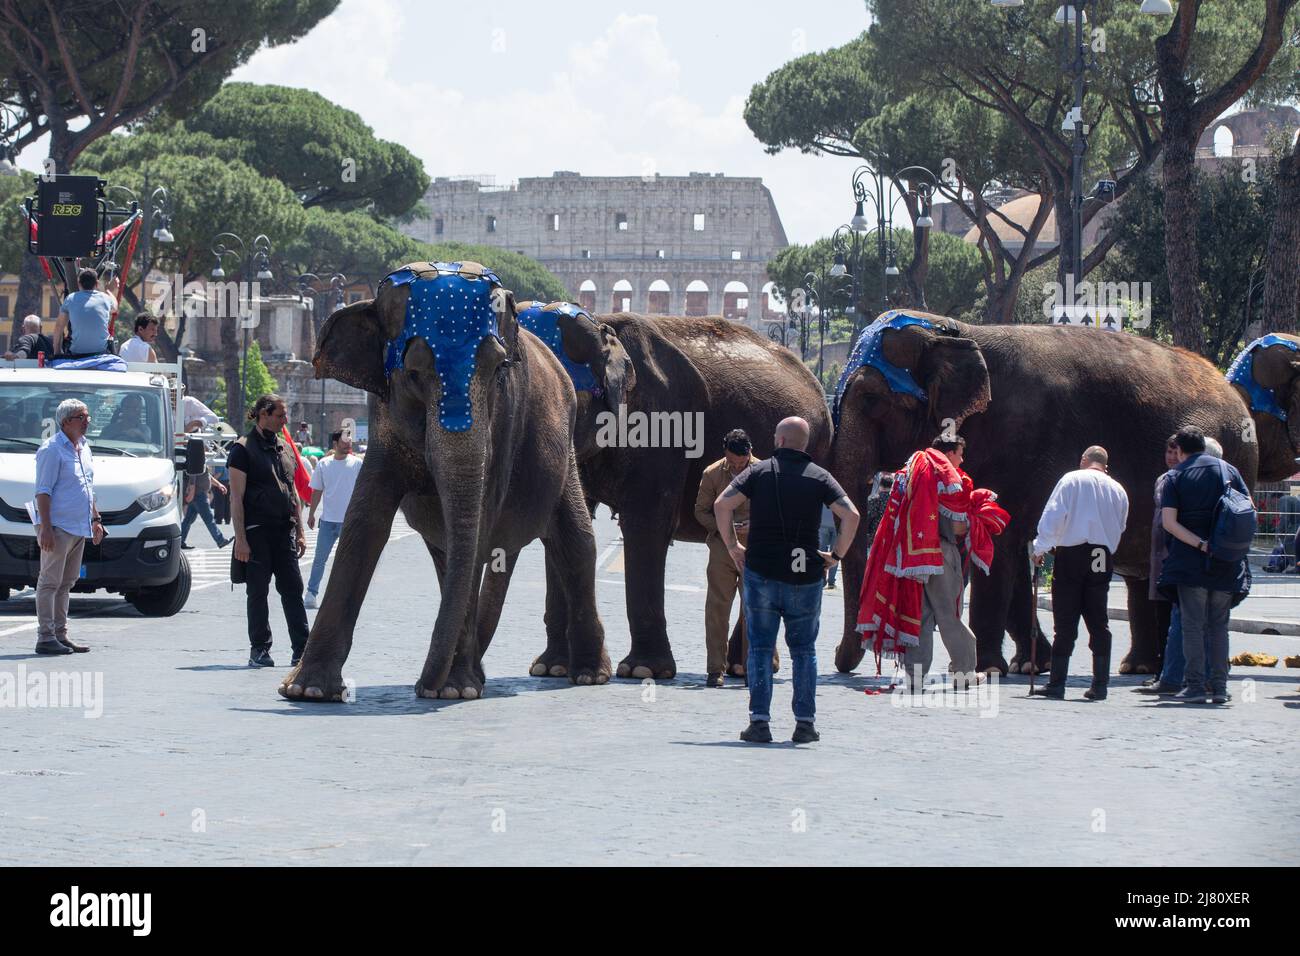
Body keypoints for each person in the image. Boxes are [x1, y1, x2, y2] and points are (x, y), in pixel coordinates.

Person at [715, 416, 860, 744]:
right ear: (805, 444)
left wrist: (734, 546)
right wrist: (835, 556)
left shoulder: (759, 472)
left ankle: (760, 722)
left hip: (762, 573)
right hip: (805, 577)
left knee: (761, 648)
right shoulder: (820, 477)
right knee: (805, 651)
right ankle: (805, 723)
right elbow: (851, 515)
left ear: (778, 441)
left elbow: (722, 504)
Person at [1158, 427, 1251, 705]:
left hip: (1191, 562)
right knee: (1219, 626)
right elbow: (1249, 509)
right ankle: (1219, 687)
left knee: (1193, 625)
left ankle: (1195, 685)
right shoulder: (1230, 471)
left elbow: (1169, 523)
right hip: (1227, 561)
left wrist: (1200, 544)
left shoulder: (1175, 477)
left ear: (1181, 450)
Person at [1031, 445, 1130, 701]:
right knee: (1099, 621)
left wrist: (1040, 547)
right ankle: (1100, 684)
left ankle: (1057, 683)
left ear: (1083, 460)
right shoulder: (1118, 489)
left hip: (1072, 554)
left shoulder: (1072, 479)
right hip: (1101, 556)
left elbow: (1053, 514)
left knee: (1065, 621)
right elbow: (1119, 527)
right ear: (1105, 465)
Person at [228, 394, 309, 668]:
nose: (285, 420)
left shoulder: (285, 447)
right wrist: (241, 539)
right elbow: (236, 498)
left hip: (283, 531)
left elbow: (293, 492)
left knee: (293, 590)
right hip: (256, 532)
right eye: (280, 415)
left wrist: (300, 530)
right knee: (258, 592)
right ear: (264, 413)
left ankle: (302, 649)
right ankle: (260, 649)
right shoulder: (242, 449)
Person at [904, 437, 980, 691]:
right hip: (942, 553)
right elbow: (957, 526)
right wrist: (976, 521)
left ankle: (915, 678)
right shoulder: (953, 480)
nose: (962, 460)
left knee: (921, 617)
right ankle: (964, 672)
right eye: (960, 454)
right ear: (949, 453)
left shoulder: (915, 472)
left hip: (914, 556)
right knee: (949, 614)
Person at [32, 399, 104, 654]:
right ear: (66, 421)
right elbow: (42, 492)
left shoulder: (83, 447)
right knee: (49, 582)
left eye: (87, 416)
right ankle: (45, 637)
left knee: (66, 583)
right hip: (59, 526)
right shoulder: (51, 450)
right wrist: (46, 527)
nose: (87, 421)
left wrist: (95, 519)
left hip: (78, 527)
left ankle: (60, 634)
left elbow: (88, 487)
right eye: (81, 417)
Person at [694, 428, 758, 686]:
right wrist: (725, 527)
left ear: (750, 452)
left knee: (754, 608)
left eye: (741, 463)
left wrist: (753, 525)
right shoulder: (711, 474)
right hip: (722, 547)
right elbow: (700, 511)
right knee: (717, 608)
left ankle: (751, 666)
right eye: (732, 462)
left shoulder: (763, 472)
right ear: (725, 453)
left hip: (754, 548)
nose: (736, 467)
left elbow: (772, 510)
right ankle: (714, 669)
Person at [304, 430, 363, 609]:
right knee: (319, 559)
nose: (348, 445)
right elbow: (317, 491)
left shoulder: (358, 464)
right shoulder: (323, 464)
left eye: (350, 442)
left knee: (349, 560)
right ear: (335, 444)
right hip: (328, 521)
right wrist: (311, 513)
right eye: (344, 442)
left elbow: (364, 490)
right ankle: (311, 593)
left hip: (350, 522)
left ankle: (347, 596)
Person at [53, 269, 119, 357]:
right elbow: (115, 307)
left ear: (79, 284)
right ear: (97, 284)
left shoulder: (70, 299)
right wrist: (108, 290)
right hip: (101, 353)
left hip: (77, 354)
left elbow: (59, 327)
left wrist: (57, 353)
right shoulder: (105, 298)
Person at [181, 463, 231, 550]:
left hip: (198, 495)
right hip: (199, 495)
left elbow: (208, 476)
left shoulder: (201, 459)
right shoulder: (197, 458)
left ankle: (180, 541)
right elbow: (193, 477)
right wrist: (191, 493)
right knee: (209, 520)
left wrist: (219, 484)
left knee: (188, 520)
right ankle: (220, 540)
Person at [819, 505, 839, 590]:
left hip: (823, 521)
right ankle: (831, 582)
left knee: (820, 553)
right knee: (835, 554)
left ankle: (821, 579)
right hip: (837, 522)